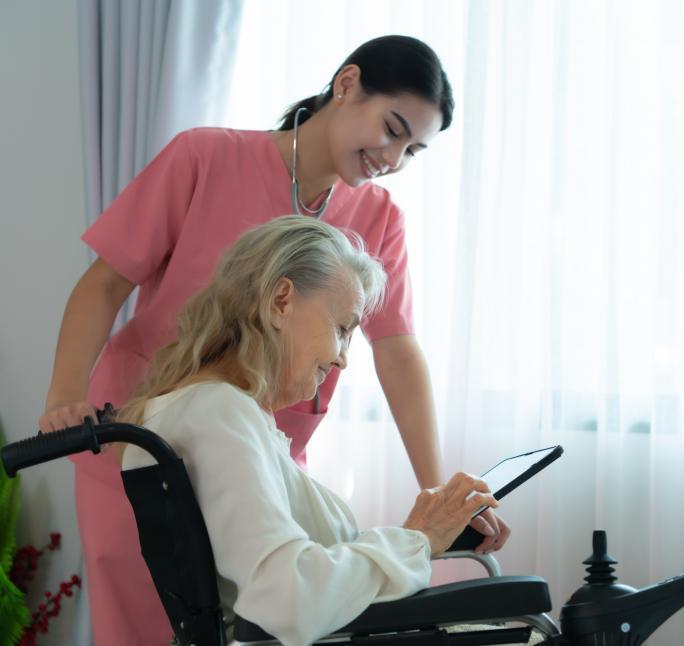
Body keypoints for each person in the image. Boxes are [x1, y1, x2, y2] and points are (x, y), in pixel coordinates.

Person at [38, 35, 510, 645]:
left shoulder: (377, 219)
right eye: (392, 129)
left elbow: (395, 351)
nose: (392, 158)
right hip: (142, 436)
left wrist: (437, 495)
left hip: (261, 454)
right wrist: (63, 398)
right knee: (151, 626)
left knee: (276, 609)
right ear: (346, 85)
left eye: (412, 150)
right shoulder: (204, 158)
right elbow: (103, 286)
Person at [120, 216, 497, 645]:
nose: (342, 360)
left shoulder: (210, 412)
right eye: (341, 329)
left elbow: (293, 576)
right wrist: (417, 539)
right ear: (281, 301)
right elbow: (285, 598)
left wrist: (426, 535)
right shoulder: (218, 412)